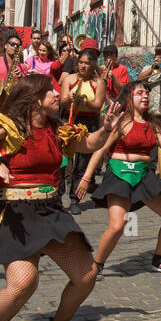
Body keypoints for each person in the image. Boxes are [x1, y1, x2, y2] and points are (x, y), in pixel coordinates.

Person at [0, 74, 116, 321]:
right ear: (35, 98)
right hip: (17, 215)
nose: (58, 94)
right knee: (24, 283)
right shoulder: (11, 126)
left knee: (86, 275)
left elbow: (88, 144)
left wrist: (106, 129)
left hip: (51, 211)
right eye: (51, 92)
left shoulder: (56, 129)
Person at [78, 82, 161, 275]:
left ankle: (159, 258)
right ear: (129, 97)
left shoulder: (151, 123)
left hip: (144, 175)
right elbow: (100, 149)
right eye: (139, 93)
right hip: (120, 175)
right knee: (117, 226)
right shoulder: (121, 122)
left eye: (146, 93)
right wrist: (86, 178)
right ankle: (97, 265)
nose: (145, 96)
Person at [58, 46, 106, 208]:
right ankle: (57, 196)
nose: (83, 66)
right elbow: (62, 102)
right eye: (80, 62)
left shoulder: (99, 82)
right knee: (63, 161)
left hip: (88, 122)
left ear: (92, 65)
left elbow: (98, 105)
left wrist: (86, 102)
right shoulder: (69, 79)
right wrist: (69, 98)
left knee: (81, 163)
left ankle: (75, 199)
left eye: (86, 63)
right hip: (69, 120)